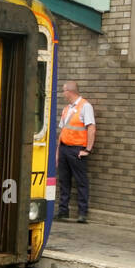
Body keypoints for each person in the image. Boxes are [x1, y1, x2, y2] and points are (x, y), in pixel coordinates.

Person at [55, 81, 95, 222]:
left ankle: (82, 213)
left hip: (77, 149)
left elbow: (91, 128)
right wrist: (58, 151)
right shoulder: (66, 108)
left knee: (81, 181)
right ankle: (63, 211)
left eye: (63, 91)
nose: (63, 94)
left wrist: (87, 150)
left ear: (69, 91)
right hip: (65, 148)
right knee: (64, 180)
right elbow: (63, 131)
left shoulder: (85, 106)